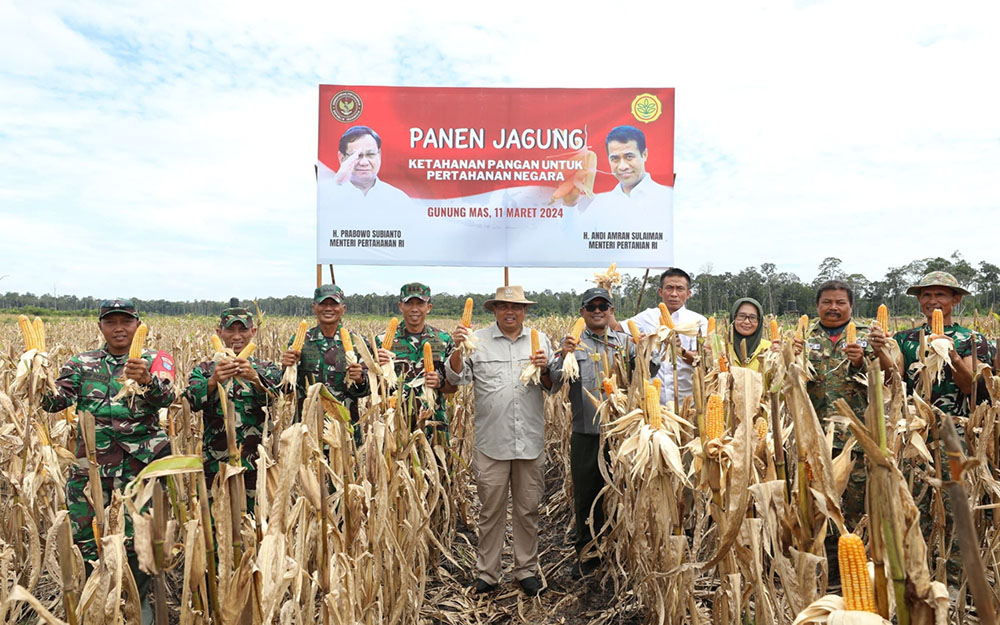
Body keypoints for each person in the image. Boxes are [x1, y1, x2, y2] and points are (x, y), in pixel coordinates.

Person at [41, 299, 175, 612]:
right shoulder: (82, 363)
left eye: (126, 322)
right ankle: (97, 603)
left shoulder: (154, 359)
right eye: (111, 322)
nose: (118, 328)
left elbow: (168, 395)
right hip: (92, 471)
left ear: (138, 324)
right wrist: (38, 375)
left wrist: (146, 380)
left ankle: (136, 605)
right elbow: (54, 402)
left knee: (139, 544)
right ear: (100, 326)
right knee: (88, 540)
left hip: (139, 471)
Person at [445, 285, 553, 597]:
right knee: (490, 511)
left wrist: (546, 368)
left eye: (516, 307)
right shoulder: (476, 340)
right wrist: (457, 349)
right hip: (491, 442)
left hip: (529, 441)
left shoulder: (540, 339)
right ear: (493, 310)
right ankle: (487, 574)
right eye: (503, 306)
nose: (510, 312)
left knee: (527, 509)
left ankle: (526, 570)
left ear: (524, 311)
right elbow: (455, 380)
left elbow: (550, 385)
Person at [549, 287, 658, 578]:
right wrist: (564, 354)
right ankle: (588, 552)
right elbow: (554, 382)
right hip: (587, 432)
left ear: (611, 311)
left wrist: (647, 349)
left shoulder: (624, 343)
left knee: (622, 491)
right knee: (587, 495)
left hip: (622, 433)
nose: (598, 311)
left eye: (603, 306)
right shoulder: (571, 345)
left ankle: (620, 547)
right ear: (582, 312)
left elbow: (650, 372)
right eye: (591, 307)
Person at [185, 301, 281, 511]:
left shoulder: (267, 368)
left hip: (256, 464)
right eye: (230, 330)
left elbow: (274, 399)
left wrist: (255, 379)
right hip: (215, 464)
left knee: (256, 523)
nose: (237, 336)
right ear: (219, 332)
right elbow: (191, 401)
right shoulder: (204, 369)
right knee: (215, 525)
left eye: (243, 330)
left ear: (253, 332)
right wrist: (213, 381)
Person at [870, 271, 995, 417]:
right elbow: (893, 383)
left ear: (956, 299)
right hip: (914, 425)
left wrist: (953, 357)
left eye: (940, 294)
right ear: (919, 299)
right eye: (927, 295)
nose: (932, 301)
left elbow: (970, 388)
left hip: (957, 428)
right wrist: (880, 350)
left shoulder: (972, 339)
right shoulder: (903, 338)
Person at [612, 268, 707, 408]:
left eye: (679, 289)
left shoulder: (698, 321)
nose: (674, 294)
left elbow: (704, 360)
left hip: (687, 403)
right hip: (653, 402)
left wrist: (680, 350)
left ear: (688, 294)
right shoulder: (647, 316)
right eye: (669, 288)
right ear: (660, 292)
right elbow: (616, 328)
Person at [280, 285, 370, 433]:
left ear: (343, 308)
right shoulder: (301, 340)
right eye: (323, 304)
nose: (328, 308)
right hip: (308, 427)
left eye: (334, 304)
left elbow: (366, 391)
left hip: (344, 427)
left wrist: (360, 379)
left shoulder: (358, 343)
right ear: (314, 308)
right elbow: (287, 389)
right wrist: (286, 367)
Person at [375, 282, 457, 438]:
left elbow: (453, 387)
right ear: (400, 306)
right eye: (409, 303)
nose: (414, 309)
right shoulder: (381, 341)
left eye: (420, 303)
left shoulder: (443, 340)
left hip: (433, 425)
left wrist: (439, 383)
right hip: (395, 425)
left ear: (429, 307)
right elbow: (373, 389)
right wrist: (379, 369)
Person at [727, 297, 773, 371]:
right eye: (742, 316)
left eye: (753, 317)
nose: (747, 322)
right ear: (733, 318)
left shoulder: (769, 348)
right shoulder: (721, 347)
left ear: (759, 321)